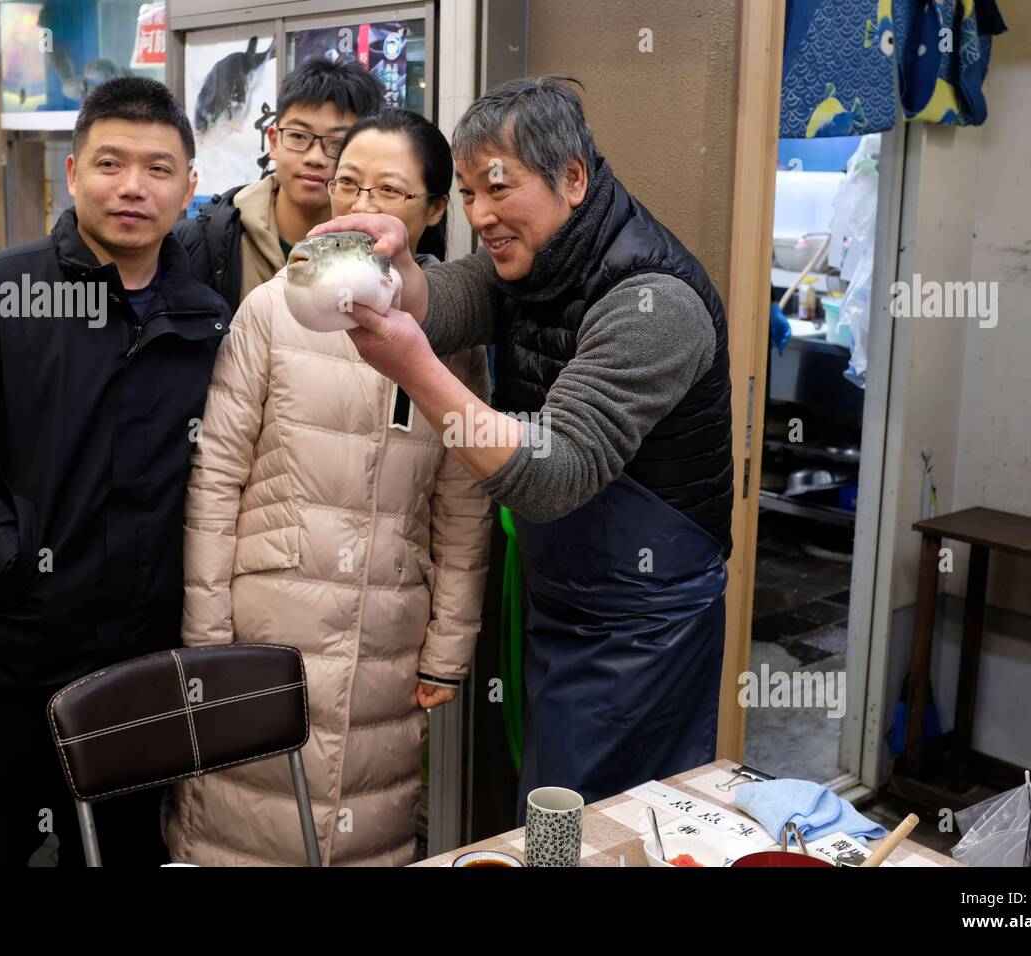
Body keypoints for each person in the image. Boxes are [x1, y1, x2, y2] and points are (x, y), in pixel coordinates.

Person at [311, 76, 735, 816]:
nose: (480, 216)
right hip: (563, 588)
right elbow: (444, 303)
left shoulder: (656, 303)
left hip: (643, 622)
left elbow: (553, 473)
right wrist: (397, 265)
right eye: (468, 193)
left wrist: (413, 367)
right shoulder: (535, 257)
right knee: (552, 808)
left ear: (574, 177)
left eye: (497, 188)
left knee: (611, 823)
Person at [0, 77, 232, 866]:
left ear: (189, 186)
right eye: (111, 163)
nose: (133, 186)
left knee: (123, 848)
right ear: (73, 173)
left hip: (145, 658)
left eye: (158, 167)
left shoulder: (208, 320)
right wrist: (6, 556)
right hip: (13, 647)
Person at [165, 108, 491, 866]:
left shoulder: (451, 335)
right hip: (265, 622)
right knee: (239, 825)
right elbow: (216, 478)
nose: (361, 207)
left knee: (367, 824)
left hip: (389, 636)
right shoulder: (272, 310)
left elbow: (463, 504)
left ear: (436, 210)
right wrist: (207, 641)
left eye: (391, 191)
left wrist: (449, 645)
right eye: (349, 185)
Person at [174, 58, 384, 309]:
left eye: (337, 144)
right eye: (298, 136)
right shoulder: (205, 240)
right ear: (274, 142)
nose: (314, 158)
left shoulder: (383, 246)